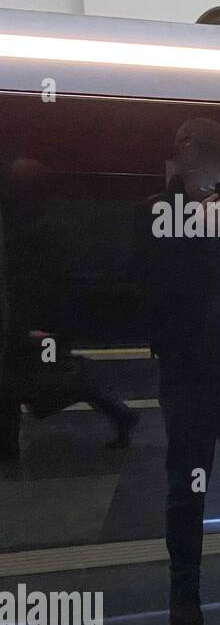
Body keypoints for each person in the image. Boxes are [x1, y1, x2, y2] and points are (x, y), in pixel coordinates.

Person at [136, 118, 220, 625]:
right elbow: (144, 281)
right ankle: (183, 590)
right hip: (190, 369)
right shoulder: (155, 214)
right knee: (187, 487)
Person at [0, 158, 138, 460]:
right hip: (41, 315)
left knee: (30, 377)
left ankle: (8, 443)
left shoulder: (33, 225)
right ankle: (118, 414)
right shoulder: (47, 220)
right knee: (47, 373)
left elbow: (35, 279)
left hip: (33, 316)